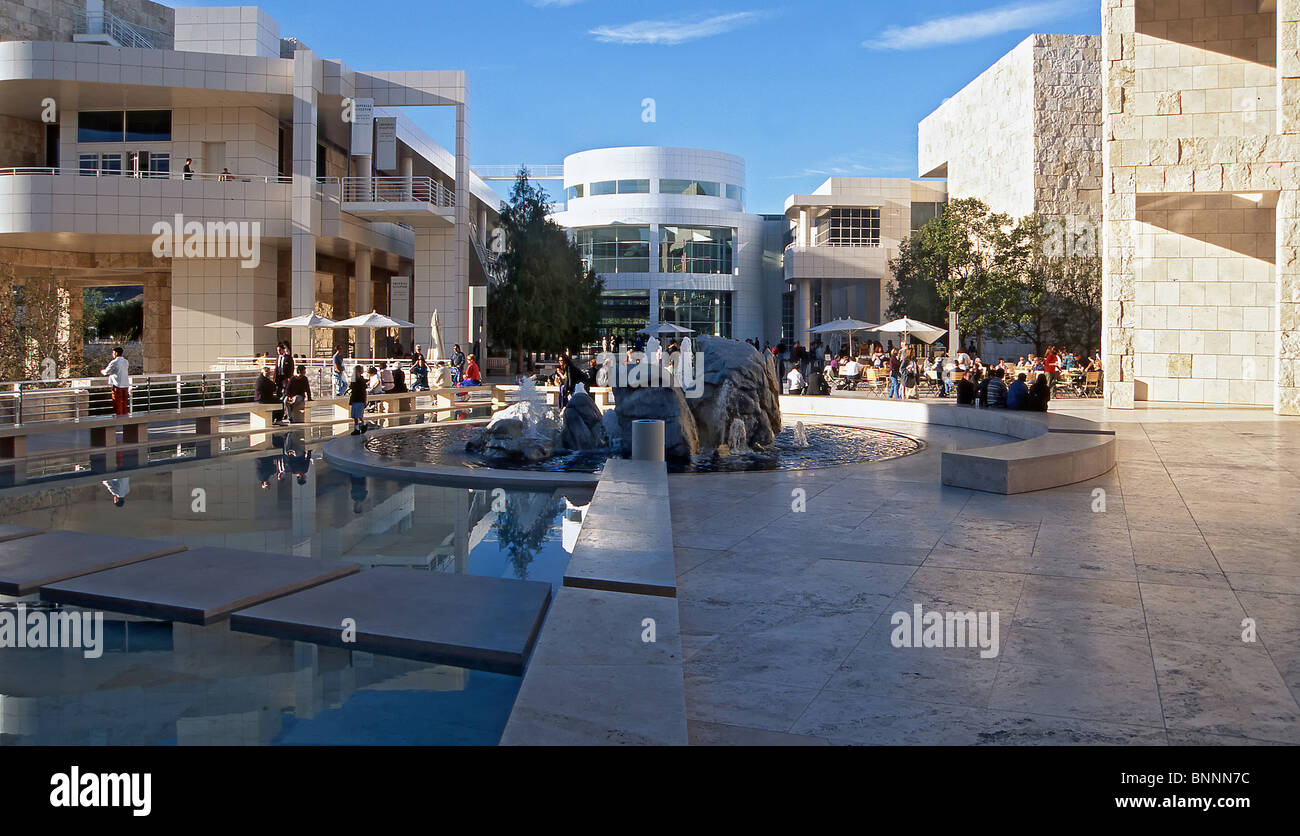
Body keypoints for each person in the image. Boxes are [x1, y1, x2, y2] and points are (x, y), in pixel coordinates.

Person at [100, 345, 131, 416]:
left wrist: (102, 371)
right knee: (124, 403)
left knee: (118, 403)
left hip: (117, 385)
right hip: (125, 384)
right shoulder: (126, 361)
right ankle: (125, 417)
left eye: (113, 353)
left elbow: (106, 372)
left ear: (116, 353)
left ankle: (119, 418)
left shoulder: (114, 362)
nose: (112, 354)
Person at [348, 365, 368, 434]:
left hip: (360, 399)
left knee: (358, 415)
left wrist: (365, 401)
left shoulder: (361, 380)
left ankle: (363, 424)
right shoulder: (354, 379)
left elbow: (364, 391)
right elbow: (351, 386)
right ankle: (357, 428)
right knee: (355, 415)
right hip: (355, 398)